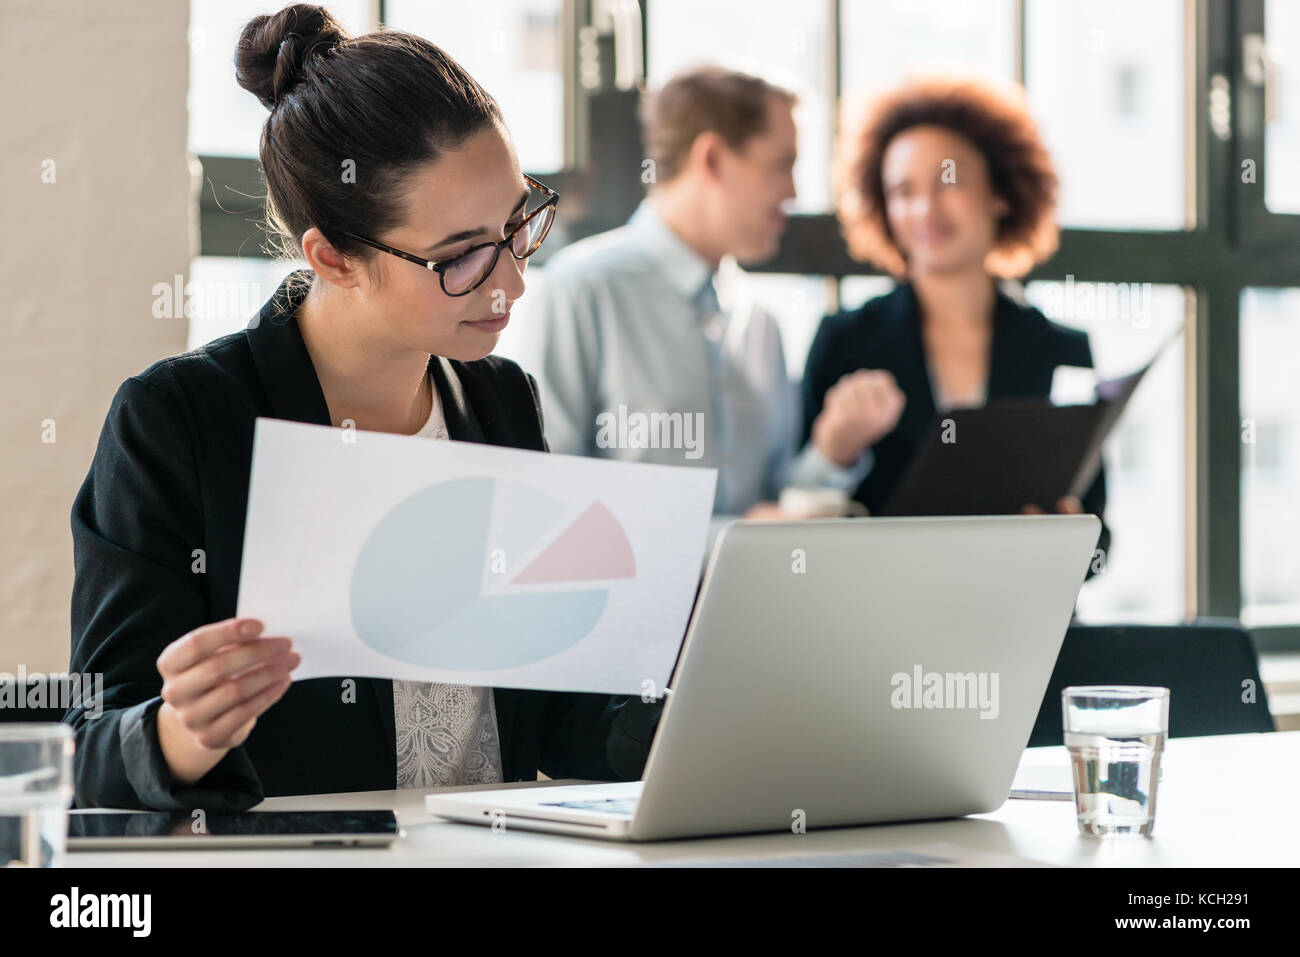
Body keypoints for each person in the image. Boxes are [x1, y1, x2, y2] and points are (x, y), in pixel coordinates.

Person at [65, 3, 659, 811]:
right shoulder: (179, 421)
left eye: (518, 223)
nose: (512, 280)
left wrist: (678, 691)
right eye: (462, 255)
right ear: (331, 255)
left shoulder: (497, 398)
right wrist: (183, 731)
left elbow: (548, 717)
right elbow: (91, 744)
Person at [516, 65, 866, 545]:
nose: (793, 192)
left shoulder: (762, 322)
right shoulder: (580, 292)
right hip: (625, 617)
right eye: (781, 165)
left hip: (756, 613)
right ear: (714, 158)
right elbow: (547, 505)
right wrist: (733, 535)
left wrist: (832, 453)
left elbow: (773, 506)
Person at [801, 77, 1110, 562]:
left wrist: (1063, 541)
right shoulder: (845, 341)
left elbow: (1098, 532)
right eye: (902, 190)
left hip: (1021, 620)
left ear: (1000, 194)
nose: (925, 209)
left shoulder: (1061, 350)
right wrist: (834, 450)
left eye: (948, 181)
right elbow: (797, 530)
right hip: (880, 618)